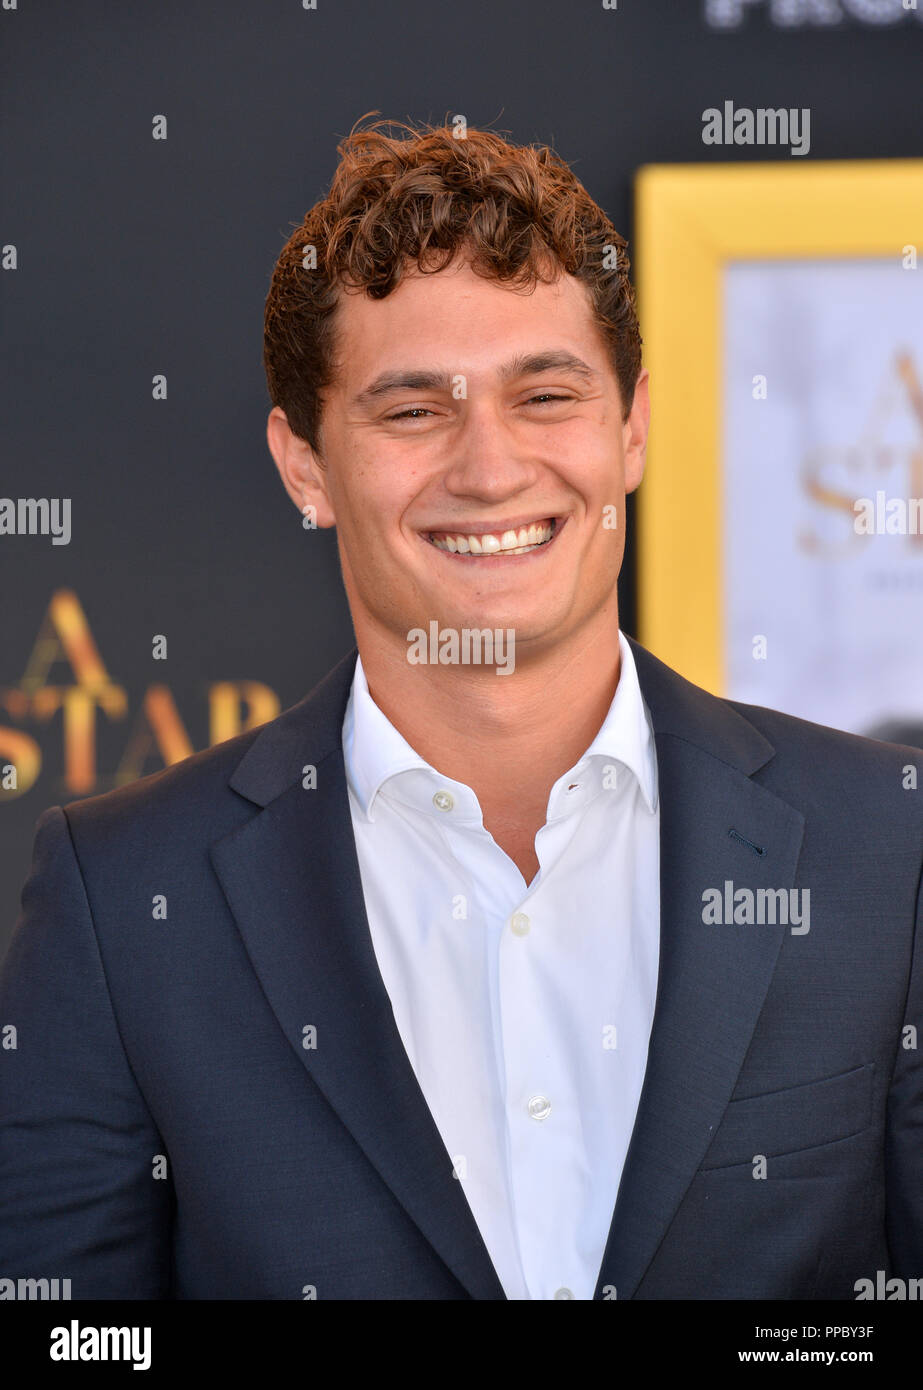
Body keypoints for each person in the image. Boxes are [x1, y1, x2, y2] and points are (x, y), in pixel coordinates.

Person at [1, 116, 920, 1301]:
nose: (489, 468)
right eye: (411, 411)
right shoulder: (126, 900)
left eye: (544, 394)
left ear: (631, 428)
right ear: (304, 466)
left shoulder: (884, 849)